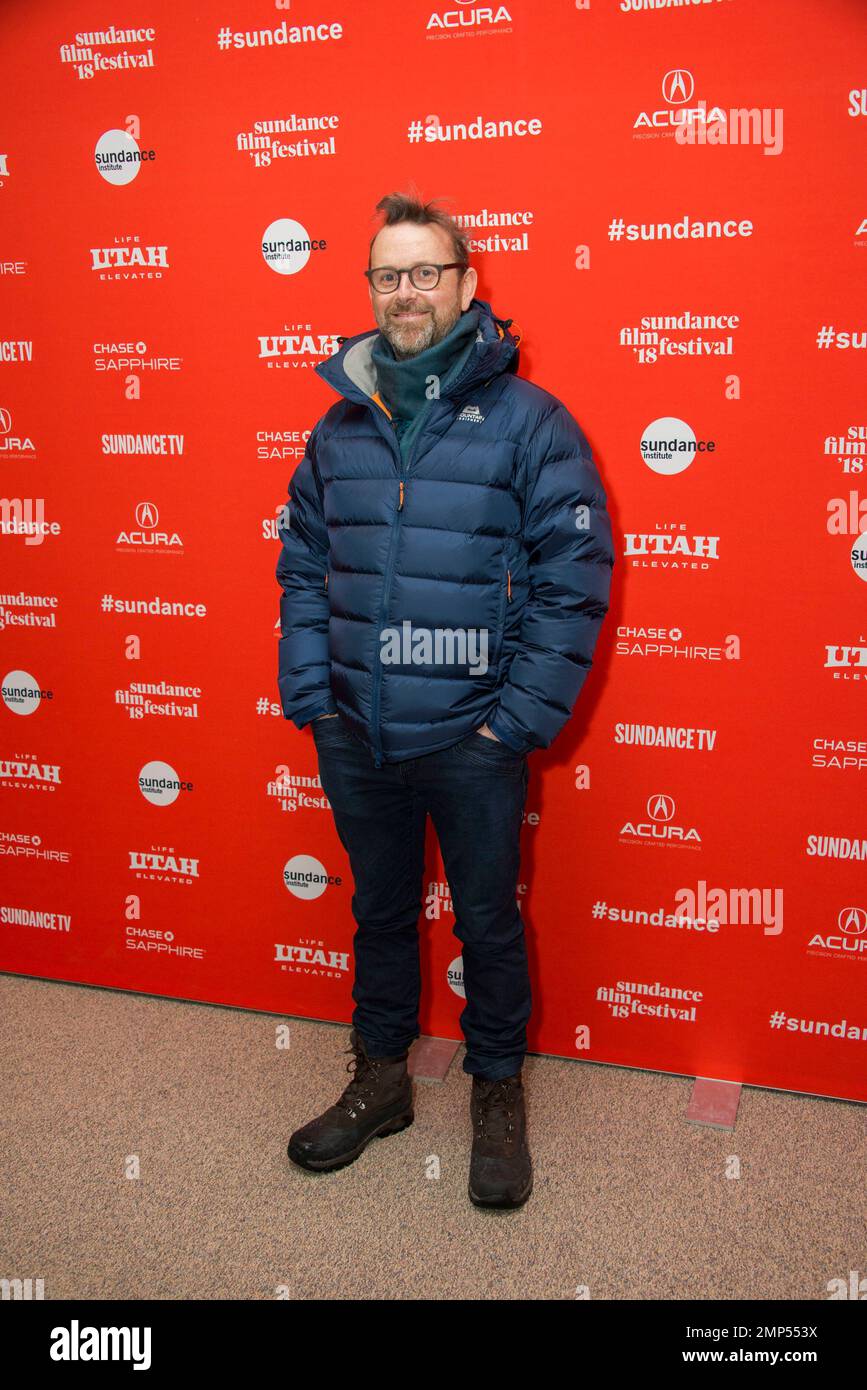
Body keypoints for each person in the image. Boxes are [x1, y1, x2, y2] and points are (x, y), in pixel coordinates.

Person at [276, 189, 614, 1208]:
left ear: (467, 286)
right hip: (356, 726)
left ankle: (496, 1092)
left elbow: (574, 574)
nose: (407, 291)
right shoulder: (341, 425)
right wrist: (315, 692)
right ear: (370, 289)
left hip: (474, 737)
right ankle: (381, 1078)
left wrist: (512, 720)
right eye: (389, 274)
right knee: (377, 911)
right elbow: (303, 560)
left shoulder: (531, 422)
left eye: (428, 271)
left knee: (487, 925)